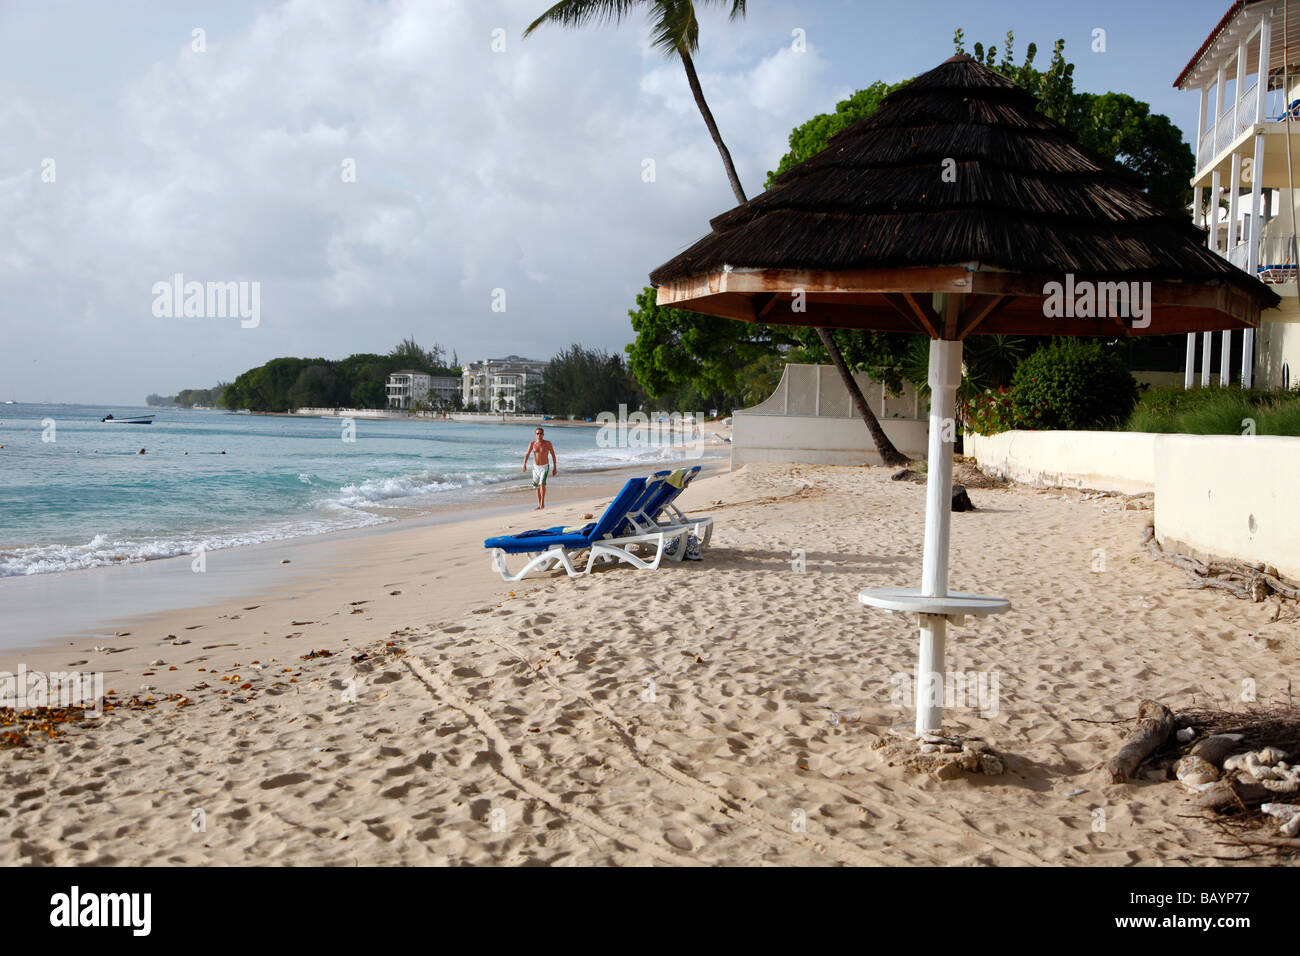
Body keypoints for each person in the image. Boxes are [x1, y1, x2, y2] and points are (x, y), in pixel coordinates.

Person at [523, 427, 556, 510]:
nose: (539, 435)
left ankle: (542, 503)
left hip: (544, 467)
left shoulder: (548, 443)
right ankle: (539, 504)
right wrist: (524, 464)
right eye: (537, 433)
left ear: (543, 434)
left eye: (541, 433)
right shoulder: (532, 443)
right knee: (536, 486)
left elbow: (553, 455)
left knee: (542, 484)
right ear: (535, 434)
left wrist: (555, 467)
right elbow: (527, 454)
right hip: (535, 467)